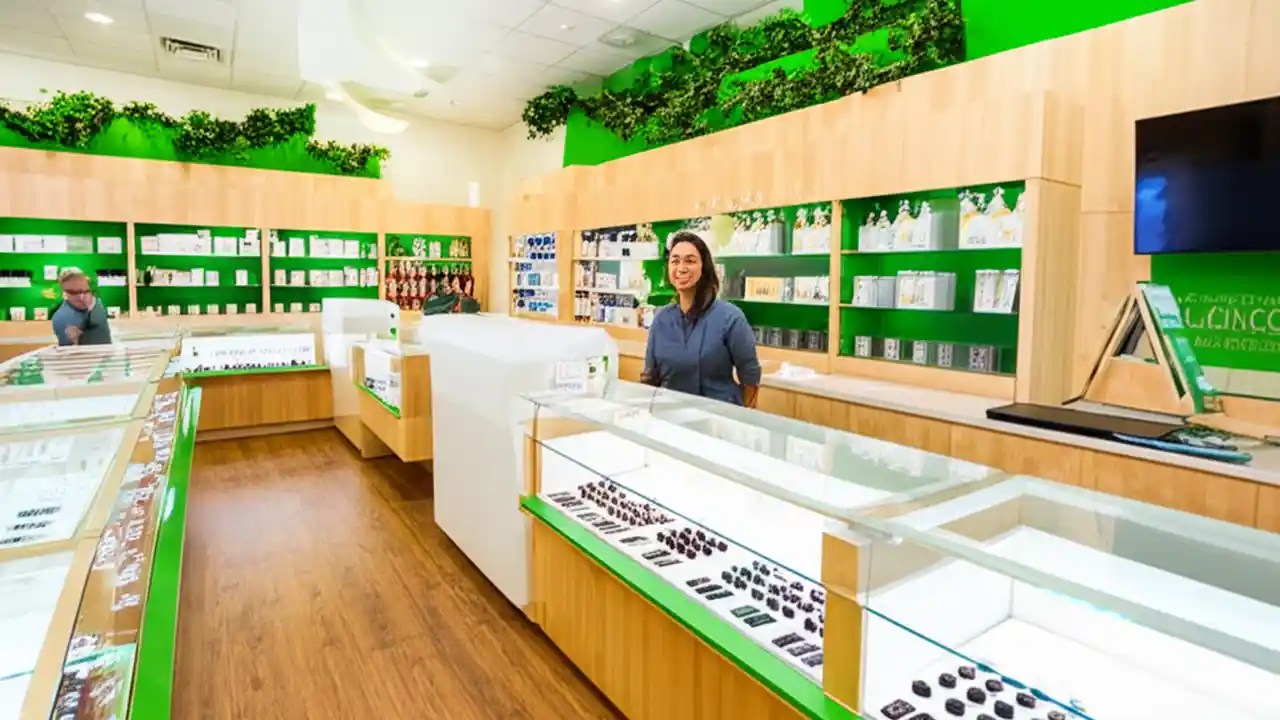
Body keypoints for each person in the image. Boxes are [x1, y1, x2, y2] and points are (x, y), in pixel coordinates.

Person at [641, 231, 762, 407]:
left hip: (718, 420)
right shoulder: (662, 319)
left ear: (704, 267)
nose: (681, 268)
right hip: (670, 416)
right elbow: (650, 377)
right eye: (675, 261)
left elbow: (750, 375)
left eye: (690, 261)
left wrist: (741, 419)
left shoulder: (730, 318)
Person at [51, 267, 113, 346]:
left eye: (85, 291)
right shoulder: (61, 317)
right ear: (65, 293)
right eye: (74, 292)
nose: (81, 297)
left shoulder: (97, 304)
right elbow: (69, 349)